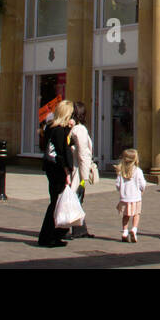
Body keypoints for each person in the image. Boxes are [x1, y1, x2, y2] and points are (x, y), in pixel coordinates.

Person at [37, 101, 75, 248]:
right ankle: (47, 237)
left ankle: (54, 235)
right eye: (70, 114)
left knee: (56, 202)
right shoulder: (59, 130)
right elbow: (62, 152)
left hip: (51, 167)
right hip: (57, 169)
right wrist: (67, 172)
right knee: (55, 203)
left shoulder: (50, 127)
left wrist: (68, 129)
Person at [69, 102, 95, 239]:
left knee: (75, 198)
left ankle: (79, 228)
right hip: (77, 169)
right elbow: (83, 153)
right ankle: (75, 229)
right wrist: (85, 177)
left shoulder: (71, 128)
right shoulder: (80, 130)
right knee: (77, 197)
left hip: (73, 167)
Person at [116, 148, 147, 242]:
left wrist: (121, 190)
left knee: (125, 216)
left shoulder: (121, 171)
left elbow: (117, 185)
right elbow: (142, 184)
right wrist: (142, 189)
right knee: (136, 214)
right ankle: (134, 229)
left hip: (124, 198)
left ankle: (125, 232)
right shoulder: (138, 171)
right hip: (136, 197)